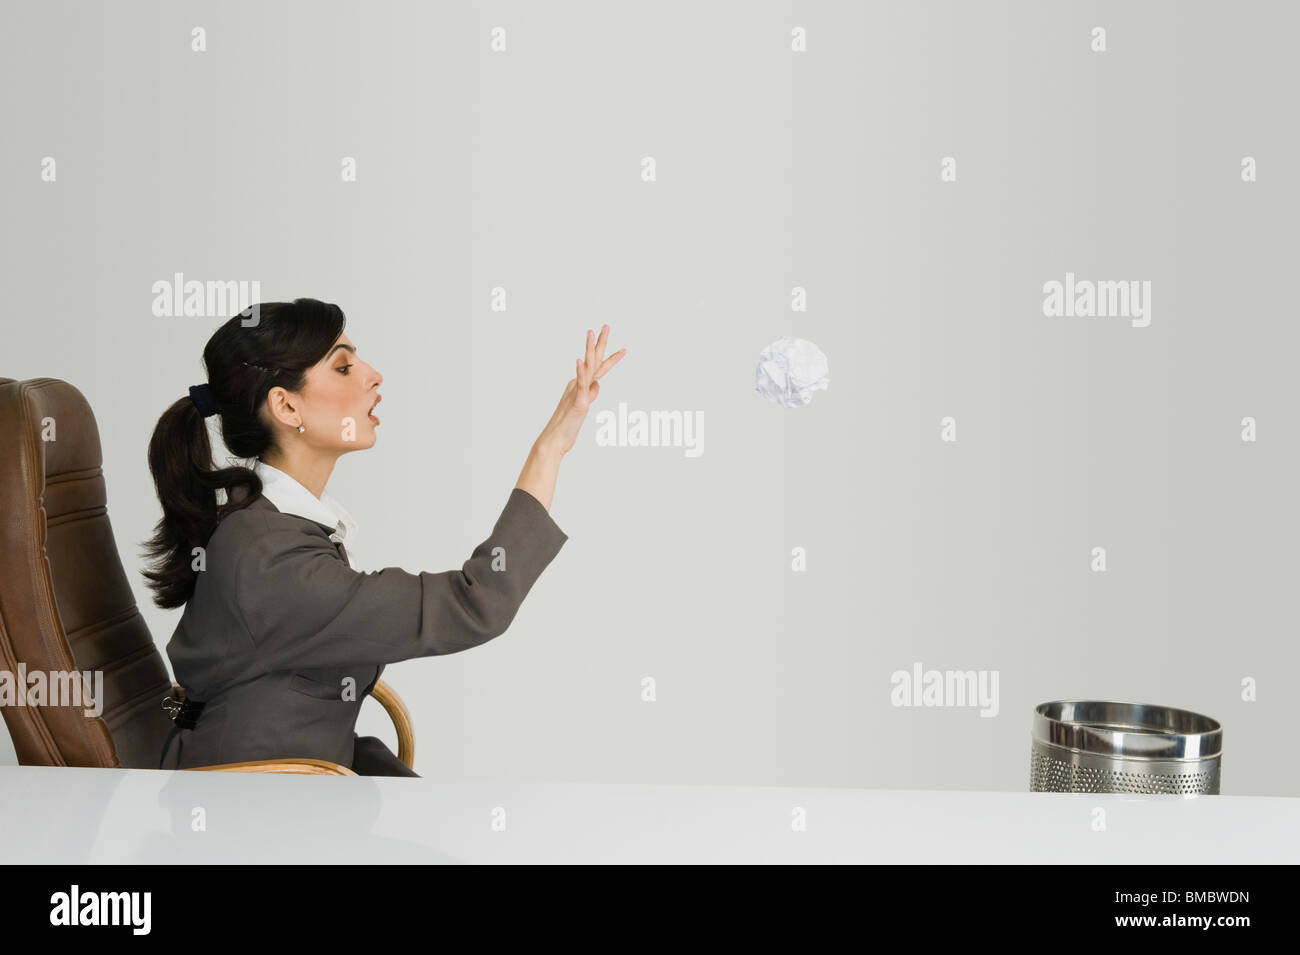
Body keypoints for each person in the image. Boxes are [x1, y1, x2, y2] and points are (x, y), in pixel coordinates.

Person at [142, 298, 625, 776]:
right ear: (286, 406)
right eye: (344, 368)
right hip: (253, 817)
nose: (373, 375)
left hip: (298, 785)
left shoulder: (275, 528)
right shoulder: (269, 554)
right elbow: (476, 604)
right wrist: (551, 448)